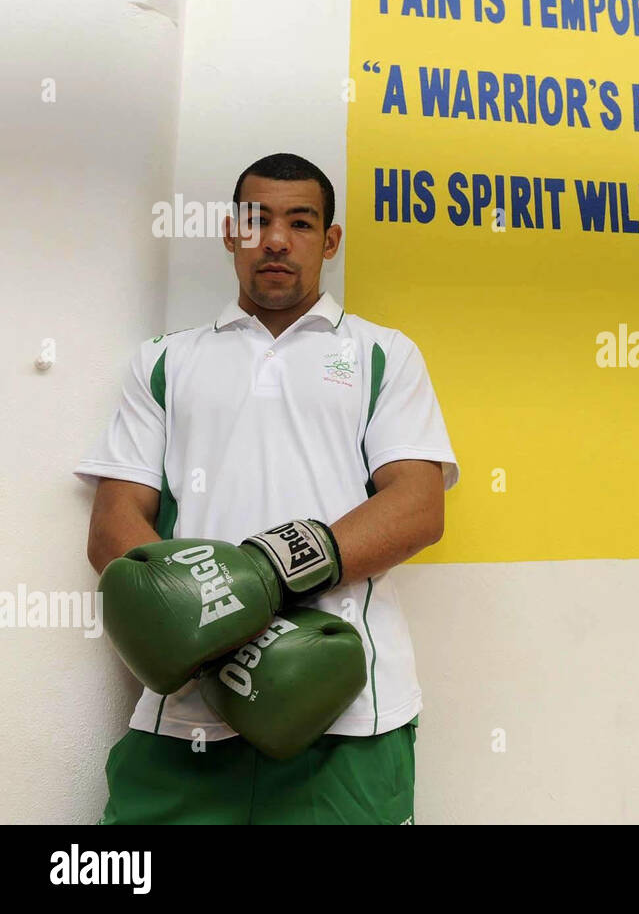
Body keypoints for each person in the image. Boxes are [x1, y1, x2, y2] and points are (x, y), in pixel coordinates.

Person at [75, 152, 458, 824]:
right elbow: (112, 526)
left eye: (301, 222)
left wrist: (260, 576)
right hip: (185, 718)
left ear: (330, 240)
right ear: (230, 232)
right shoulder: (165, 359)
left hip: (347, 716)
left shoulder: (383, 353)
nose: (276, 239)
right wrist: (216, 639)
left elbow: (418, 506)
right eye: (256, 220)